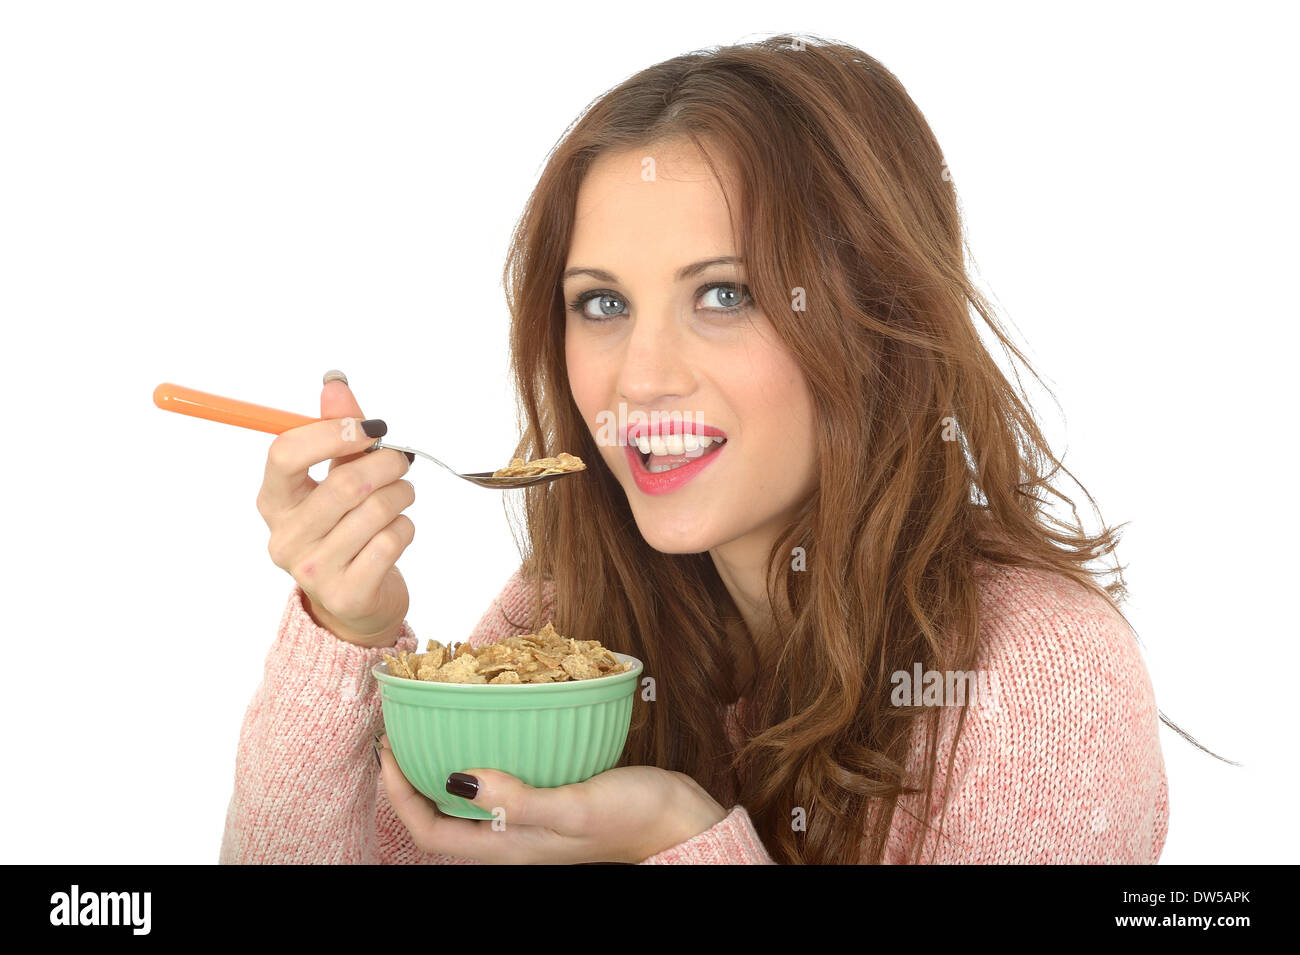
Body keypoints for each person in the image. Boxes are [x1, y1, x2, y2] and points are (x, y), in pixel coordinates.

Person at [220, 34, 1175, 865]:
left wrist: (681, 837)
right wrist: (347, 626)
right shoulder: (565, 625)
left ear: (878, 315)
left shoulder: (1041, 681)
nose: (638, 379)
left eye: (724, 293)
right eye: (603, 303)